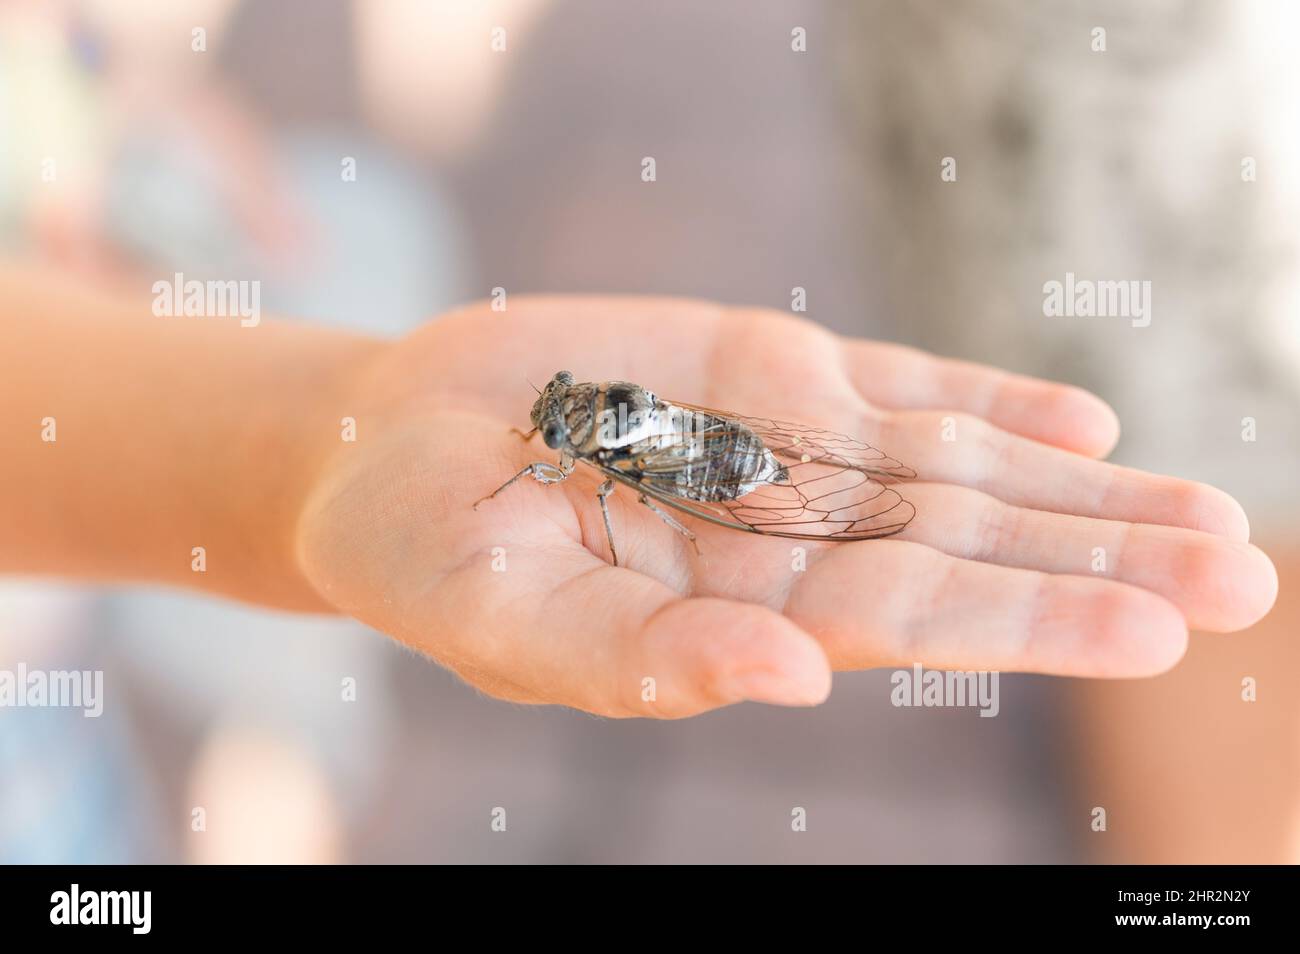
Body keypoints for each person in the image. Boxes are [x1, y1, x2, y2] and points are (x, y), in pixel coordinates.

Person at [0, 263, 1278, 717]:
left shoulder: (587, 450)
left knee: (723, 475)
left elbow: (612, 487)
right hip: (681, 444)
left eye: (556, 421)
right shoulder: (570, 441)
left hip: (695, 453)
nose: (546, 430)